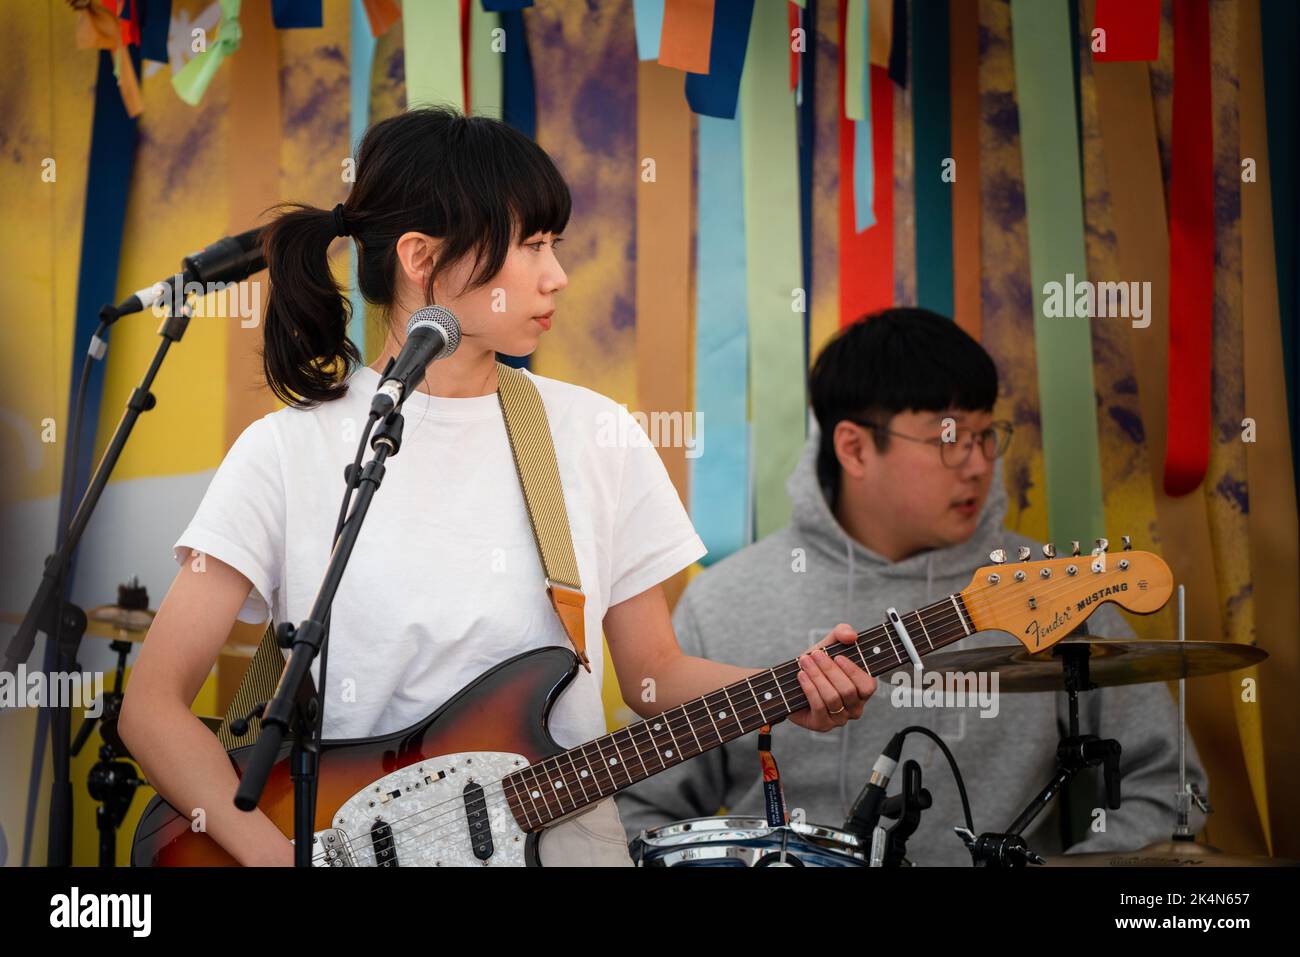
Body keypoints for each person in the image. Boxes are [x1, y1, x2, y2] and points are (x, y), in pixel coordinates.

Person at [118, 107, 876, 867]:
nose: (558, 275)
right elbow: (151, 707)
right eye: (533, 245)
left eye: (555, 244)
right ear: (422, 258)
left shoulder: (593, 434)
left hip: (562, 837)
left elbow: (652, 674)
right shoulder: (285, 450)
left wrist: (787, 693)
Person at [617, 308, 1208, 865]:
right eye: (950, 438)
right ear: (853, 447)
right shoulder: (726, 601)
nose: (978, 464)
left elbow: (1172, 787)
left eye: (986, 435)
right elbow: (641, 808)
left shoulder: (1055, 593)